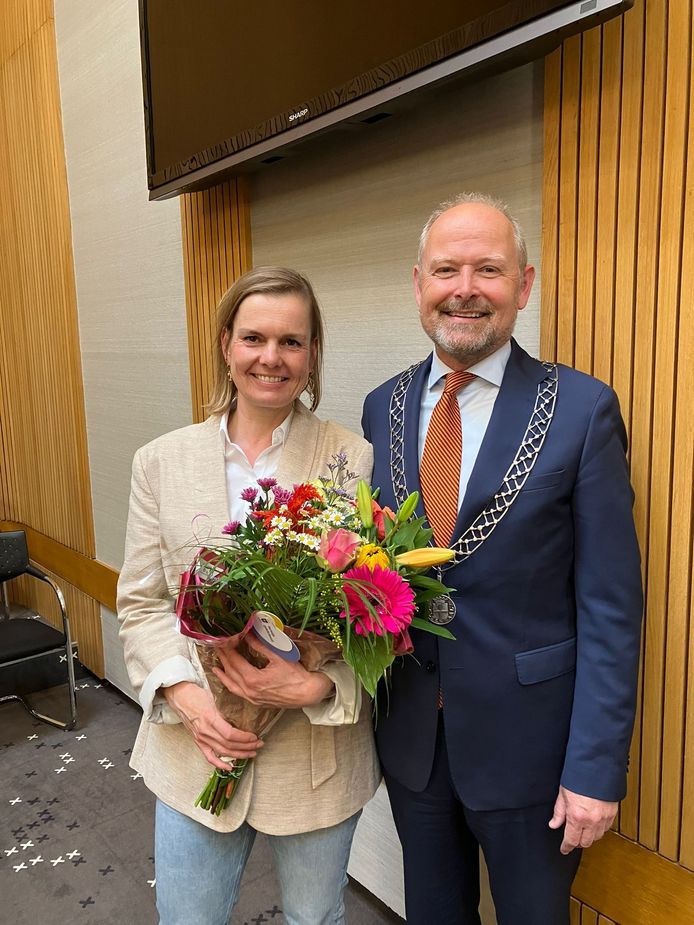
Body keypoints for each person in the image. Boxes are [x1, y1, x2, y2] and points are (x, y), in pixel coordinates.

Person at [361, 193, 643, 925]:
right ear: (417, 283)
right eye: (447, 268)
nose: (465, 288)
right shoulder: (380, 407)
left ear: (524, 285)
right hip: (414, 742)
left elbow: (611, 607)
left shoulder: (582, 411)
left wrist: (594, 768)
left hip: (535, 754)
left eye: (488, 269)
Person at [117, 266, 380, 925]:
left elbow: (372, 610)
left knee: (315, 919)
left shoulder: (354, 460)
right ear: (226, 344)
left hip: (314, 759)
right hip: (193, 748)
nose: (272, 357)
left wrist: (319, 689)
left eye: (292, 341)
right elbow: (142, 604)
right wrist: (186, 695)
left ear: (314, 353)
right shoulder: (160, 461)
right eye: (255, 338)